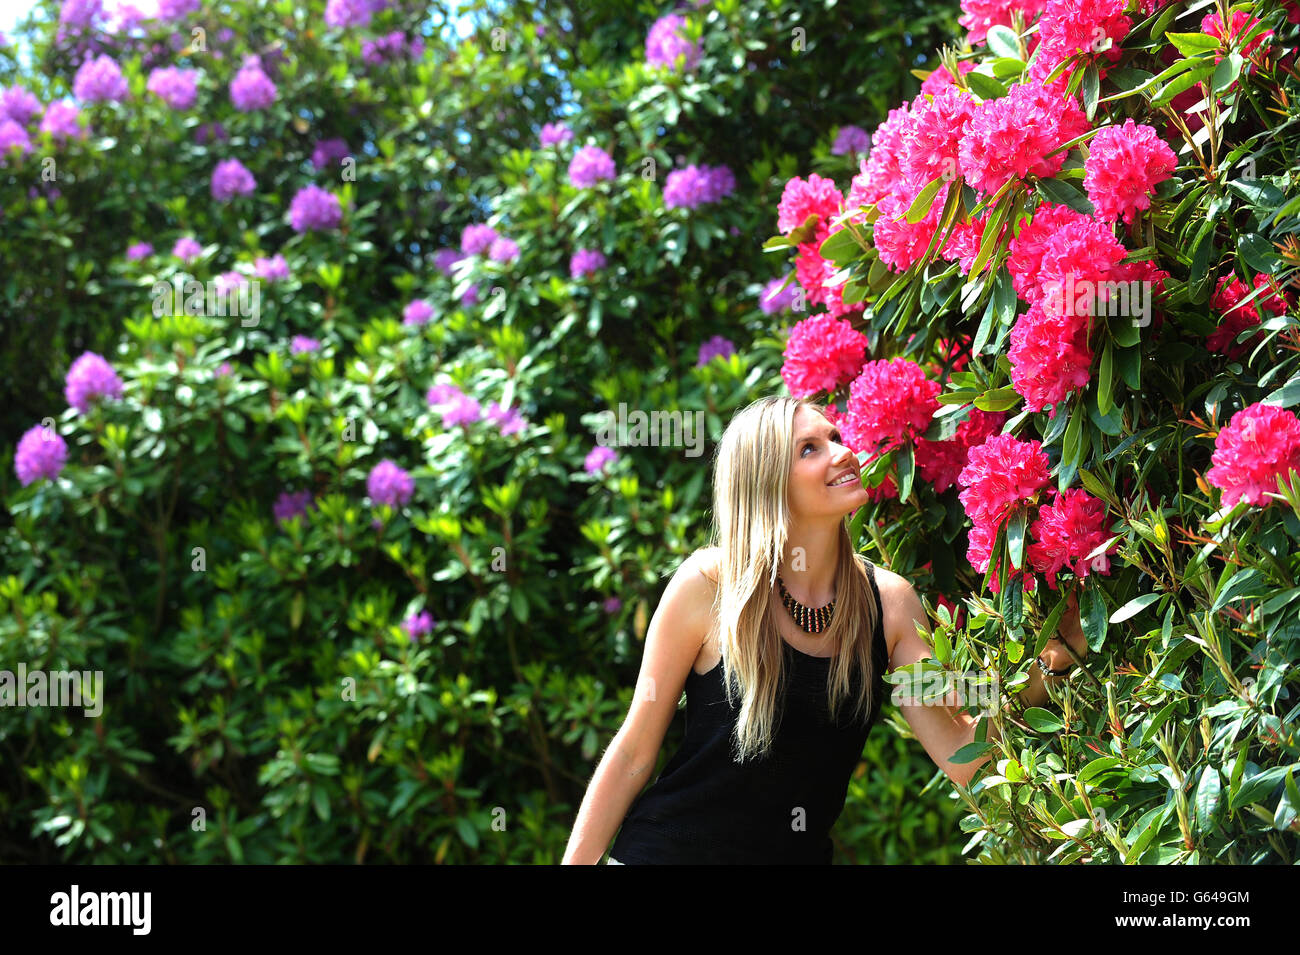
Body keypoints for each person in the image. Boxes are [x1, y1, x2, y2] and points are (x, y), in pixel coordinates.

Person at [561, 395, 1088, 864]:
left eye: (835, 437)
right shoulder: (710, 585)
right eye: (810, 449)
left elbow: (961, 757)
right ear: (767, 482)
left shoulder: (891, 606)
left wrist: (1051, 660)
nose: (841, 451)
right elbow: (634, 752)